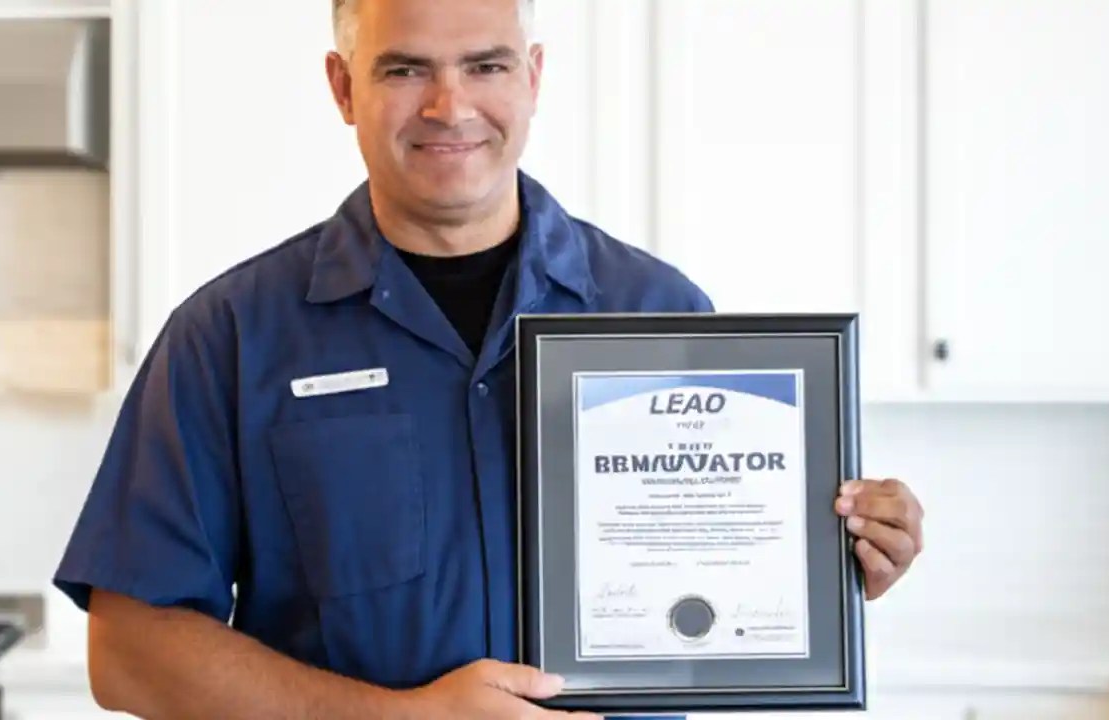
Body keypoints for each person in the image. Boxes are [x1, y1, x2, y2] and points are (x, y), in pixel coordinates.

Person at [52, 0, 926, 717]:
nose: (450, 105)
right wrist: (408, 719)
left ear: (533, 78)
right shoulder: (230, 336)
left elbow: (709, 595)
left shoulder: (656, 311)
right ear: (342, 87)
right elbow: (130, 652)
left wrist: (822, 568)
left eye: (486, 65)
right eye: (403, 69)